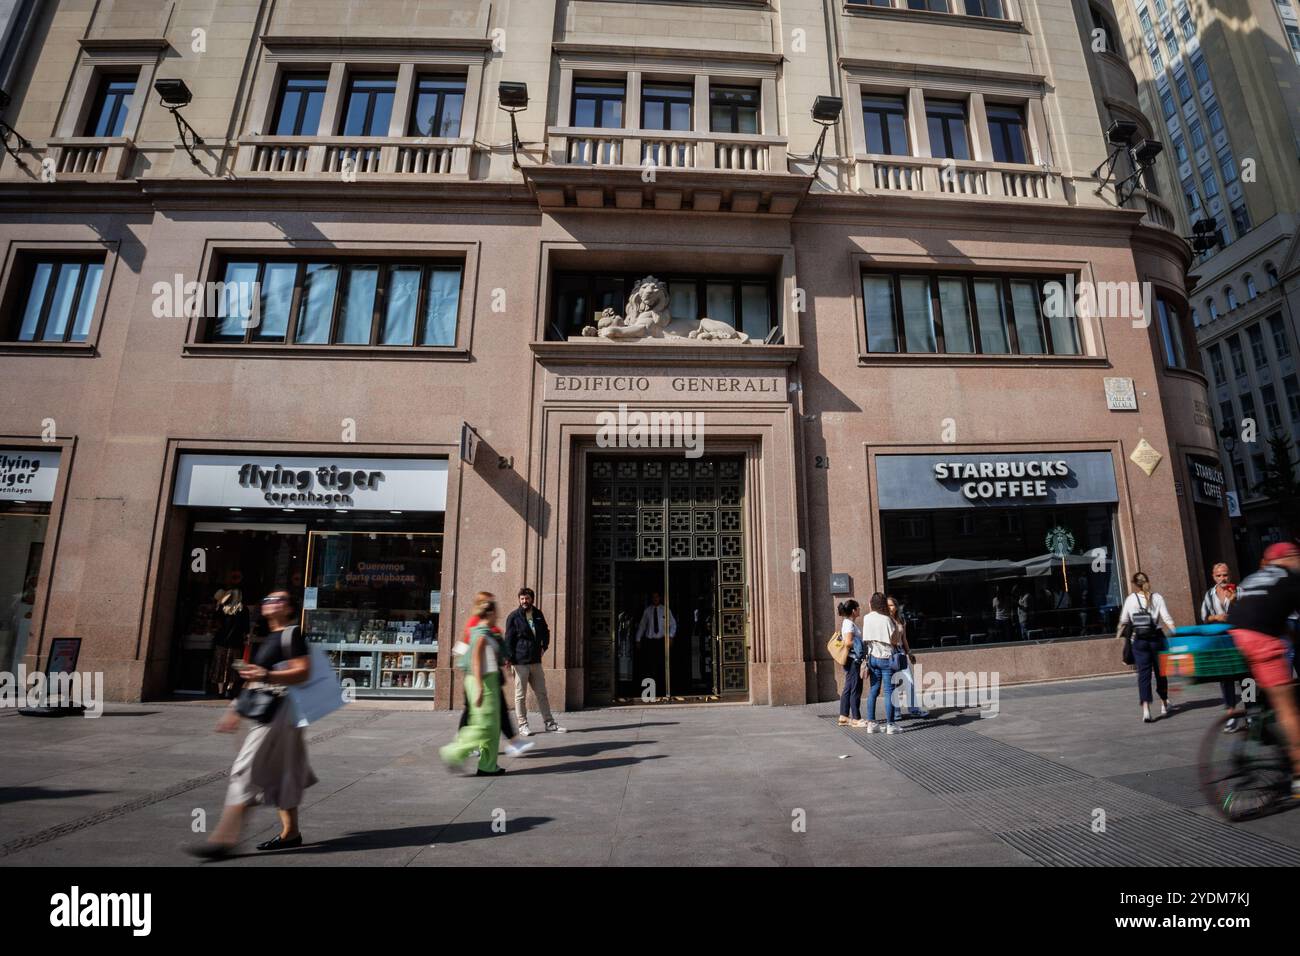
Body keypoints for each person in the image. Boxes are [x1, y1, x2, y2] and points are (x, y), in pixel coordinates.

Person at [190, 590, 316, 858]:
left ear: (289, 608)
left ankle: (224, 839)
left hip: (278, 712)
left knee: (244, 771)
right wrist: (235, 707)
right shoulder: (270, 636)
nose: (270, 603)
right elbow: (255, 678)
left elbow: (304, 672)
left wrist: (267, 674)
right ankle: (290, 833)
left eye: (278, 599)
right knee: (285, 773)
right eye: (268, 599)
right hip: (276, 712)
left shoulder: (291, 634)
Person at [1227, 541, 1300, 797]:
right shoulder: (1290, 578)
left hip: (1234, 638)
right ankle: (1299, 775)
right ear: (1288, 558)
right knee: (1287, 705)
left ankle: (1259, 726)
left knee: (1264, 695)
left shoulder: (1252, 578)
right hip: (1261, 640)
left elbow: (1257, 610)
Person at [441, 594, 507, 776]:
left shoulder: (487, 630)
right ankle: (452, 753)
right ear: (491, 612)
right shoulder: (480, 632)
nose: (498, 615)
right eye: (496, 612)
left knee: (493, 727)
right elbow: (476, 659)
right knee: (484, 726)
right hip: (483, 681)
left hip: (490, 681)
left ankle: (488, 766)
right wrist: (478, 687)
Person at [461, 592, 532, 757]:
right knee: (472, 712)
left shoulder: (487, 626)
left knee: (497, 710)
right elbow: (472, 655)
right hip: (480, 677)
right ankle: (465, 744)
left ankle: (513, 742)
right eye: (491, 602)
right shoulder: (477, 625)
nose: (495, 607)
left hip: (490, 675)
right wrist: (476, 684)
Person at [503, 587, 565, 735]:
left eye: (527, 598)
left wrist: (545, 646)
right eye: (522, 598)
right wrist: (508, 658)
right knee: (520, 696)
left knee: (542, 694)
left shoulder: (538, 614)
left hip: (536, 661)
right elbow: (509, 639)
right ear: (519, 599)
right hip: (520, 662)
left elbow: (545, 631)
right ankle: (523, 725)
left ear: (532, 599)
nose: (525, 601)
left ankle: (549, 723)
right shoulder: (513, 617)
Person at [1117, 571, 1175, 723]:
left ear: (1135, 584)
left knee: (1144, 675)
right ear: (1148, 581)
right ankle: (1164, 704)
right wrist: (1175, 632)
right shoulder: (1157, 597)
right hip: (1157, 639)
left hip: (1140, 641)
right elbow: (1166, 617)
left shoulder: (1131, 599)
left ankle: (1146, 710)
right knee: (1161, 673)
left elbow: (1124, 619)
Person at [1200, 562, 1242, 733]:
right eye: (1219, 575)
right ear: (1213, 576)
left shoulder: (1240, 592)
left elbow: (1249, 613)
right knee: (1226, 679)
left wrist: (1235, 603)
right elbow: (1204, 617)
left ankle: (1251, 713)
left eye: (1225, 575)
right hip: (1222, 642)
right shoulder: (1209, 595)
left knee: (1247, 679)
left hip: (1240, 640)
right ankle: (1231, 715)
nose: (1222, 579)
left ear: (1229, 575)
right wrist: (1216, 617)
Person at [862, 592, 901, 734]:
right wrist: (897, 627)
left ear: (872, 603)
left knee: (873, 690)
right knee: (889, 691)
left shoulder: (866, 618)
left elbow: (865, 639)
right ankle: (891, 725)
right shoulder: (887, 620)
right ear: (883, 604)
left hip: (872, 657)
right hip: (886, 658)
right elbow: (894, 641)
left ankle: (871, 723)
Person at [887, 595, 929, 718]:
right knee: (893, 683)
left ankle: (914, 709)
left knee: (909, 682)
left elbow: (904, 638)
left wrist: (909, 652)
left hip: (900, 652)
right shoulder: (885, 620)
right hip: (889, 653)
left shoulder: (901, 620)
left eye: (892, 605)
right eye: (887, 605)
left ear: (896, 606)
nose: (890, 607)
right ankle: (896, 712)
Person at [211, 575, 249, 699]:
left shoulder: (222, 609)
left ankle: (220, 691)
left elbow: (214, 621)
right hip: (236, 643)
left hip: (221, 642)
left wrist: (219, 603)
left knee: (220, 666)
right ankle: (230, 689)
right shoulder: (244, 610)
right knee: (234, 667)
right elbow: (246, 628)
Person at [635, 592, 676, 697]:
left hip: (661, 642)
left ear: (660, 598)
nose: (655, 599)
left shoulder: (665, 610)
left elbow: (673, 624)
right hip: (651, 643)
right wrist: (638, 639)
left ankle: (663, 691)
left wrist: (671, 636)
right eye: (653, 597)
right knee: (650, 667)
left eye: (657, 597)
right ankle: (650, 692)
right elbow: (642, 625)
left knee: (662, 666)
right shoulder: (647, 611)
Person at [836, 599, 865, 727]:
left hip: (850, 659)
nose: (859, 610)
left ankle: (843, 716)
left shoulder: (848, 623)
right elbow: (848, 642)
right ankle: (856, 718)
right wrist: (861, 644)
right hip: (853, 660)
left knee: (848, 687)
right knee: (855, 688)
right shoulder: (849, 624)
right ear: (854, 610)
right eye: (858, 608)